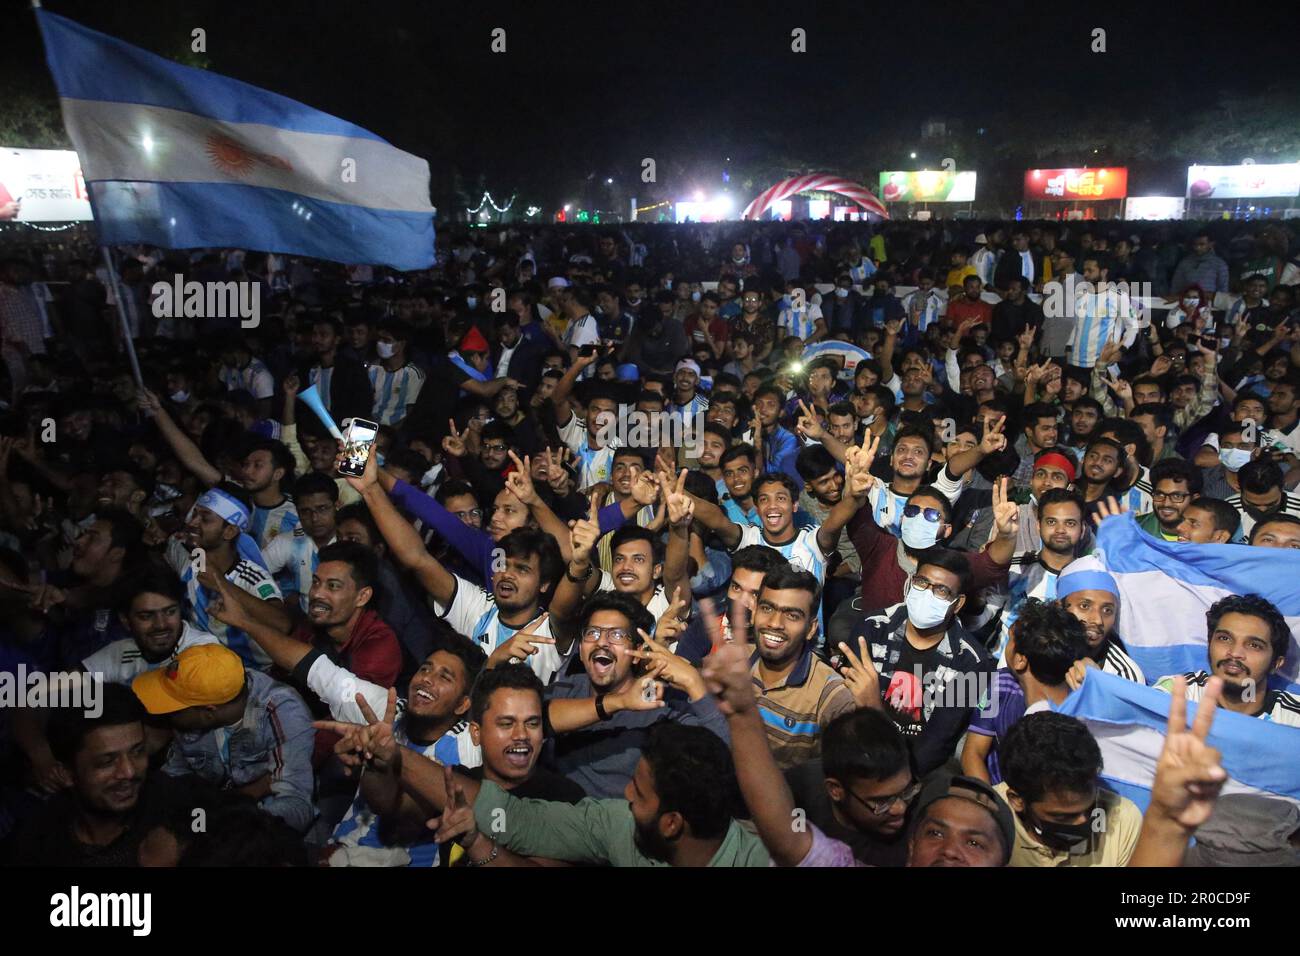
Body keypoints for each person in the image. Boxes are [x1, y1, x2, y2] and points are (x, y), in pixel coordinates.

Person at [700, 638, 1015, 867]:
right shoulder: (802, 793)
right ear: (835, 791)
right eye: (880, 802)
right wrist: (740, 715)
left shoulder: (930, 804)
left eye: (905, 792)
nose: (899, 810)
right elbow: (787, 835)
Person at [4, 684, 216, 866]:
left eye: (137, 752)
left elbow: (228, 821)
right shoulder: (37, 842)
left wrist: (184, 840)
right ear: (67, 773)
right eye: (107, 762)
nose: (129, 771)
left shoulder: (178, 800)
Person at [132, 643, 316, 832]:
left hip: (255, 828)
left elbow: (296, 805)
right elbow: (175, 779)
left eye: (173, 707)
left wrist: (224, 829)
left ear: (209, 711)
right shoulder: (192, 715)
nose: (166, 712)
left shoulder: (281, 710)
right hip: (210, 815)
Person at [850, 547, 995, 774]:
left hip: (915, 768)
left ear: (957, 604)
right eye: (922, 582)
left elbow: (938, 740)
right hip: (859, 747)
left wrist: (901, 777)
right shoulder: (872, 627)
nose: (927, 593)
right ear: (911, 583)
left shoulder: (973, 664)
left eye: (941, 590)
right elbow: (847, 707)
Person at [962, 598, 1089, 785]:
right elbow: (973, 753)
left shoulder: (1078, 714)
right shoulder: (1000, 684)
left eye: (1010, 640)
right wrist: (991, 803)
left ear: (1020, 660)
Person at [998, 712, 1144, 867]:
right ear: (1017, 800)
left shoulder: (1122, 819)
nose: (1083, 821)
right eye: (1062, 817)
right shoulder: (985, 819)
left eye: (1089, 809)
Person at [1155, 593, 1300, 726]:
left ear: (1276, 663)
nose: (1235, 653)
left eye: (1254, 645)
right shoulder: (1177, 693)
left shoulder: (1293, 719)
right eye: (1224, 638)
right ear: (1210, 643)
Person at [1055, 556, 1146, 685]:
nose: (1097, 620)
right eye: (1084, 606)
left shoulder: (1124, 676)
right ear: (1059, 607)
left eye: (1107, 610)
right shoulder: (1036, 651)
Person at [367, 319, 424, 426]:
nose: (380, 343)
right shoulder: (372, 369)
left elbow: (411, 413)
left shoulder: (413, 374)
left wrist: (389, 434)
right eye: (379, 339)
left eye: (386, 340)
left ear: (402, 344)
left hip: (397, 432)